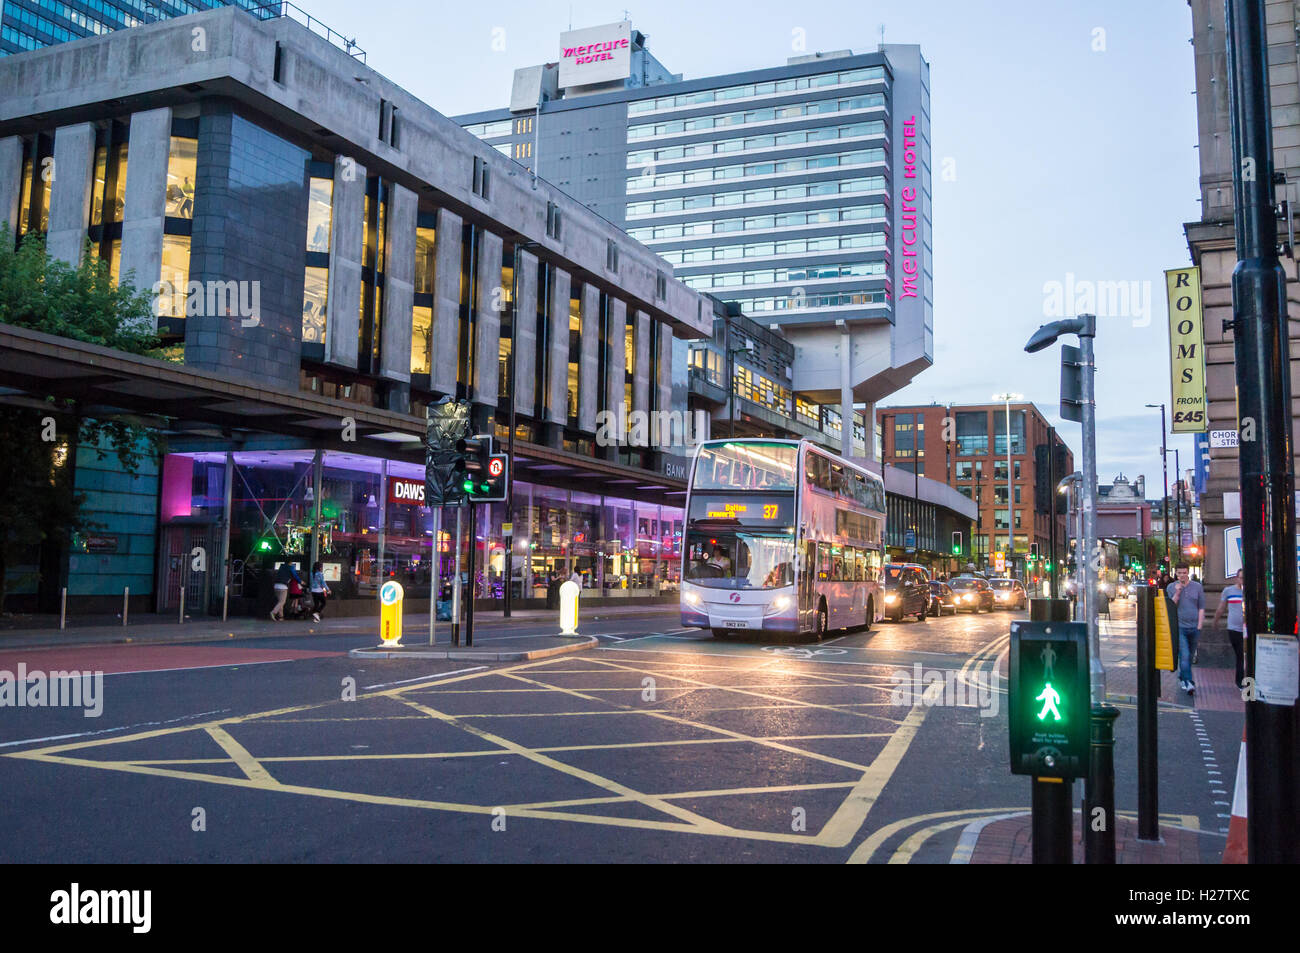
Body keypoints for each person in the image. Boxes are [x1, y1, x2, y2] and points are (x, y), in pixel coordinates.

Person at [1167, 564, 1205, 694]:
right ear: (1176, 574)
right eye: (1179, 573)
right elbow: (1171, 606)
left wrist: (1200, 625)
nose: (1182, 575)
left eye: (1184, 572)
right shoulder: (1171, 587)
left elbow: (1201, 607)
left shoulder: (1197, 587)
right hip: (1180, 627)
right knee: (1185, 654)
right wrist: (1178, 592)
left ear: (1188, 572)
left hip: (1194, 626)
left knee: (1189, 657)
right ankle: (1189, 682)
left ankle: (1182, 677)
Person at [1213, 568, 1246, 688]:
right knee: (1241, 655)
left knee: (1247, 656)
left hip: (1248, 629)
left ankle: (1246, 680)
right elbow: (1221, 608)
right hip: (1234, 629)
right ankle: (1240, 682)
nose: (1243, 580)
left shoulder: (1252, 591)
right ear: (1237, 578)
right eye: (1241, 577)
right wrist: (1215, 621)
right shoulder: (1228, 591)